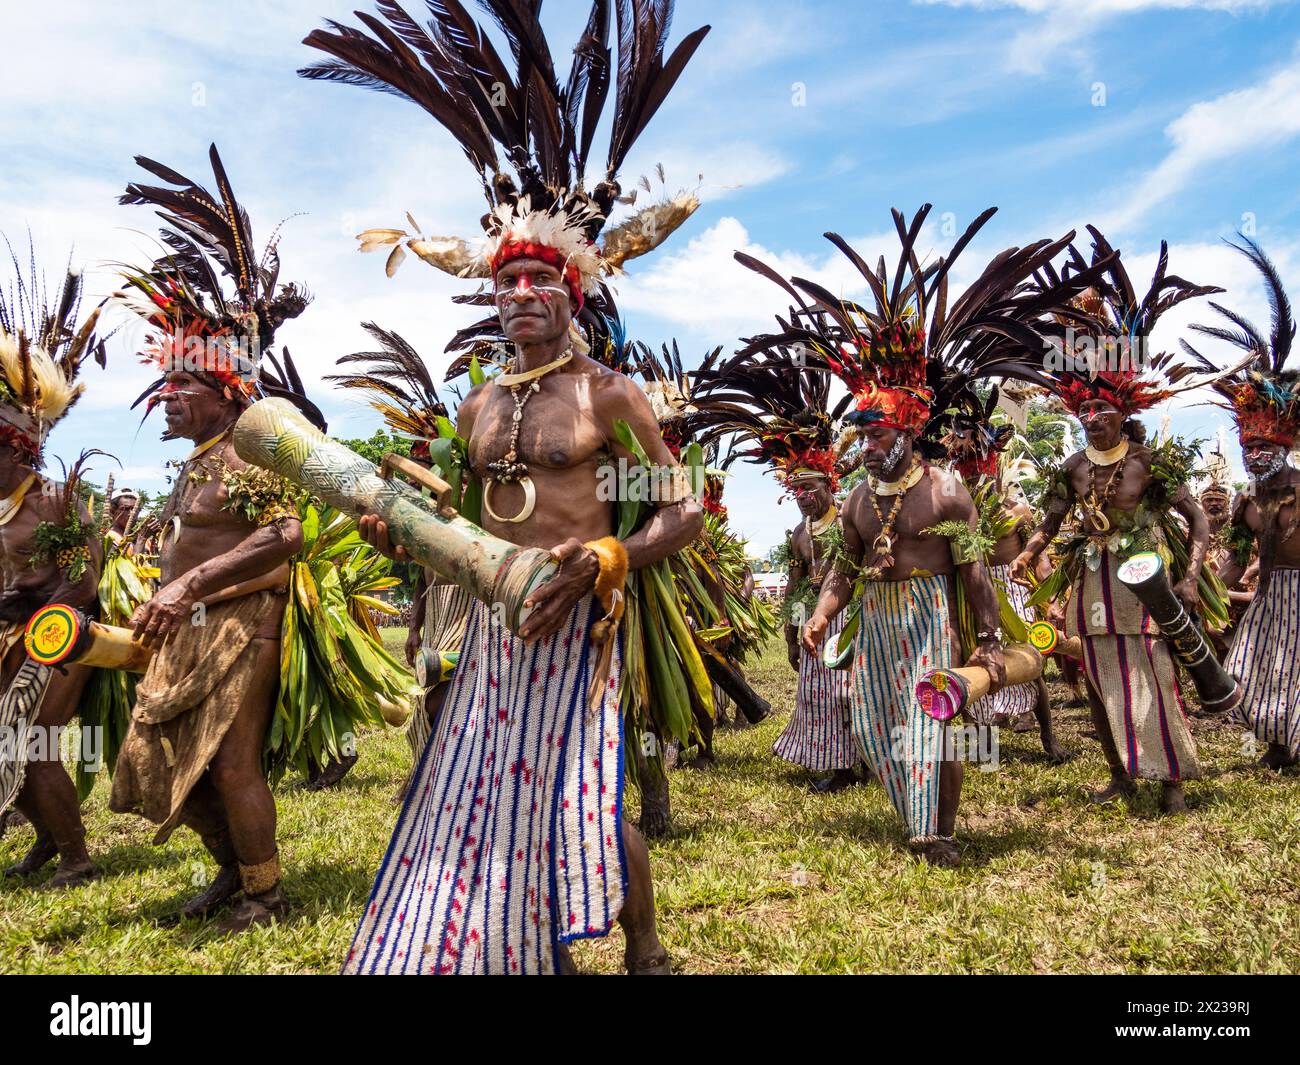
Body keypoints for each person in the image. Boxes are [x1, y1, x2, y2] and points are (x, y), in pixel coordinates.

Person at [301, 0, 710, 973]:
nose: (519, 297)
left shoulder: (613, 397)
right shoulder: (476, 408)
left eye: (539, 283)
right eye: (504, 284)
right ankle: (532, 946)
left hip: (580, 616)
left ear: (576, 289)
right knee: (501, 790)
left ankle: (645, 947)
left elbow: (686, 509)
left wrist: (613, 550)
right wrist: (404, 528)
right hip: (491, 620)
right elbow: (459, 515)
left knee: (583, 794)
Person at [107, 145, 319, 931]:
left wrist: (191, 587)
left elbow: (286, 534)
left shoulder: (252, 448)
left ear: (223, 394)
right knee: (183, 772)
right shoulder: (197, 460)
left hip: (243, 624)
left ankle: (266, 894)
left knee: (231, 765)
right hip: (183, 630)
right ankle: (233, 872)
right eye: (165, 383)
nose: (166, 397)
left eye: (181, 386)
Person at [1013, 234, 1226, 814]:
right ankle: (1120, 775)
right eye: (1084, 412)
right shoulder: (1075, 467)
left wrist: (1190, 576)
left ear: (1122, 411)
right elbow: (1052, 522)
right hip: (1093, 578)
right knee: (1101, 672)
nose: (1091, 421)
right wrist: (1029, 551)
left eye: (1101, 411)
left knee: (1155, 672)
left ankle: (1170, 779)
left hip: (1147, 579)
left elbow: (1198, 515)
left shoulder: (1148, 464)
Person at [0, 249, 104, 888]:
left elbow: (84, 581)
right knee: (9, 748)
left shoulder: (59, 500)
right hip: (16, 634)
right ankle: (44, 842)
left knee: (35, 745)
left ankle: (78, 857)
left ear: (14, 448)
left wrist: (32, 604)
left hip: (66, 635)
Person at [1186, 236, 1300, 770]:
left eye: (1264, 447)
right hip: (1270, 595)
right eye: (1247, 447)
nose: (1254, 455)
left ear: (1284, 444)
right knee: (1256, 668)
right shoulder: (1246, 501)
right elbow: (1232, 557)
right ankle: (1277, 744)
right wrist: (1202, 588)